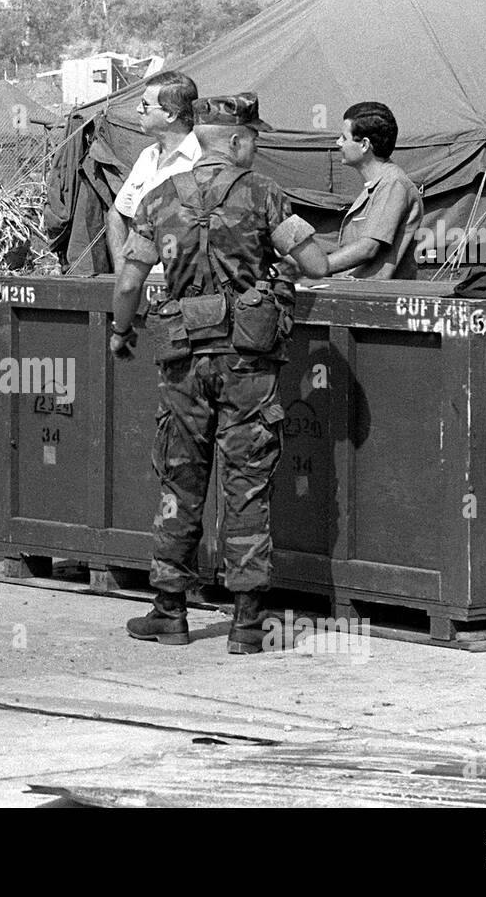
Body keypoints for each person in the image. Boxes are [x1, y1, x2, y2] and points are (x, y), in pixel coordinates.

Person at [108, 94, 329, 654]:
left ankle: (170, 612)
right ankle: (248, 625)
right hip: (248, 363)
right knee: (247, 485)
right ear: (231, 141)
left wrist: (120, 332)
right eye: (251, 136)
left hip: (184, 362)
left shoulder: (158, 199)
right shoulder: (263, 194)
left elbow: (130, 281)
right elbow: (318, 265)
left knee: (179, 484)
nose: (256, 145)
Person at [105, 71, 200, 274]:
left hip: (186, 289)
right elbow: (117, 214)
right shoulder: (148, 157)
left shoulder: (201, 159)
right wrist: (123, 272)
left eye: (146, 105)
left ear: (171, 114)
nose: (139, 110)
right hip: (142, 286)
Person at [324, 101, 423, 279]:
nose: (338, 143)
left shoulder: (393, 184)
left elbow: (367, 248)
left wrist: (316, 267)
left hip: (377, 299)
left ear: (364, 144)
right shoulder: (378, 186)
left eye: (344, 138)